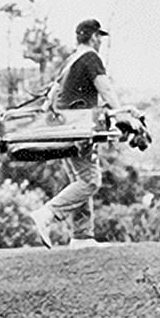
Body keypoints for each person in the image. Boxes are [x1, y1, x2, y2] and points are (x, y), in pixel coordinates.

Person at [29, 19, 121, 249]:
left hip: (62, 128)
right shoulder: (90, 57)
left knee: (79, 181)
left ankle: (82, 237)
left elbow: (52, 95)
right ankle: (47, 214)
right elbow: (105, 88)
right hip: (78, 127)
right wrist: (121, 114)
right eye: (99, 37)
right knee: (90, 181)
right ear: (93, 37)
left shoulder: (70, 60)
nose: (100, 41)